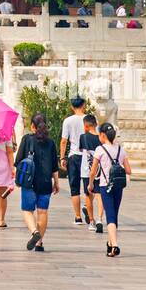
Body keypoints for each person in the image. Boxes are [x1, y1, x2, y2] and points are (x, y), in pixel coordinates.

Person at [14, 113, 60, 253]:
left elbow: (18, 161)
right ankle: (39, 243)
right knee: (43, 212)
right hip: (45, 182)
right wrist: (56, 182)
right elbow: (54, 166)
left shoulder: (27, 139)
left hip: (29, 182)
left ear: (32, 126)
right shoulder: (51, 143)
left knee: (27, 210)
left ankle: (34, 232)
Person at [88, 122, 132, 257]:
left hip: (105, 185)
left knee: (110, 216)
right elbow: (129, 170)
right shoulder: (121, 149)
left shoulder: (100, 150)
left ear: (102, 135)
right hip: (118, 186)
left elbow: (93, 171)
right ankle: (109, 244)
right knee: (114, 215)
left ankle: (115, 245)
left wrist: (90, 184)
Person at [60, 95, 88, 226]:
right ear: (84, 105)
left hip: (74, 156)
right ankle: (89, 211)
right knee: (89, 187)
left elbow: (64, 141)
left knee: (75, 188)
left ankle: (77, 217)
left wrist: (62, 157)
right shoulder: (90, 120)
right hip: (87, 156)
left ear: (72, 107)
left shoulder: (68, 121)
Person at [79, 112, 104, 234]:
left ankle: (92, 221)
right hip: (100, 170)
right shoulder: (101, 138)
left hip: (86, 171)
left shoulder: (83, 137)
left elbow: (81, 149)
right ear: (96, 124)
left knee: (88, 195)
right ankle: (100, 219)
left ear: (86, 126)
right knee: (99, 195)